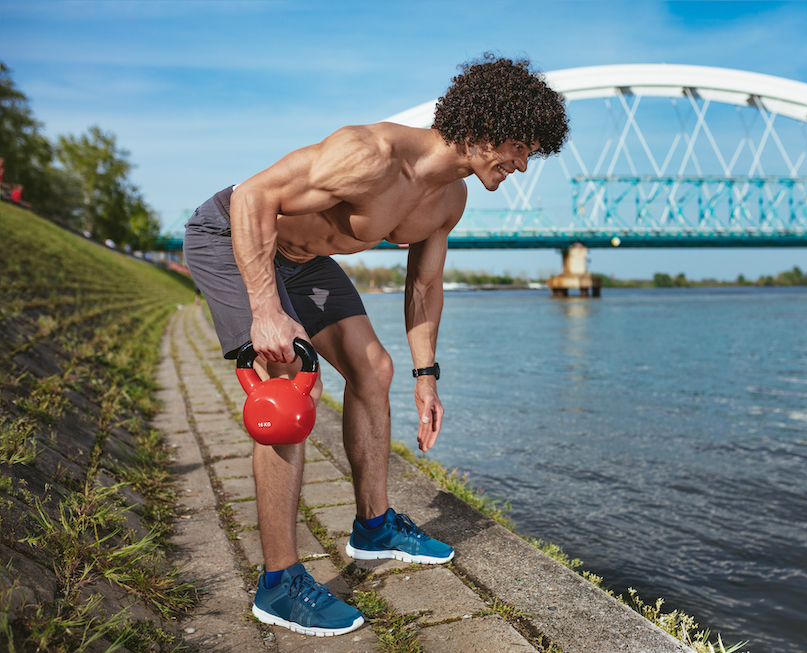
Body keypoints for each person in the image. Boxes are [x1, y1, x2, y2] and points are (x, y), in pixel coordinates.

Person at [183, 54, 568, 637]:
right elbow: (253, 197)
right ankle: (279, 584)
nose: (523, 163)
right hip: (233, 236)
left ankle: (373, 527)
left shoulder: (450, 200)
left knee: (375, 369)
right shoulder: (371, 154)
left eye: (531, 152)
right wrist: (265, 309)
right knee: (286, 395)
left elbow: (424, 285)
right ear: (480, 128)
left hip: (306, 260)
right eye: (519, 146)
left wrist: (427, 375)